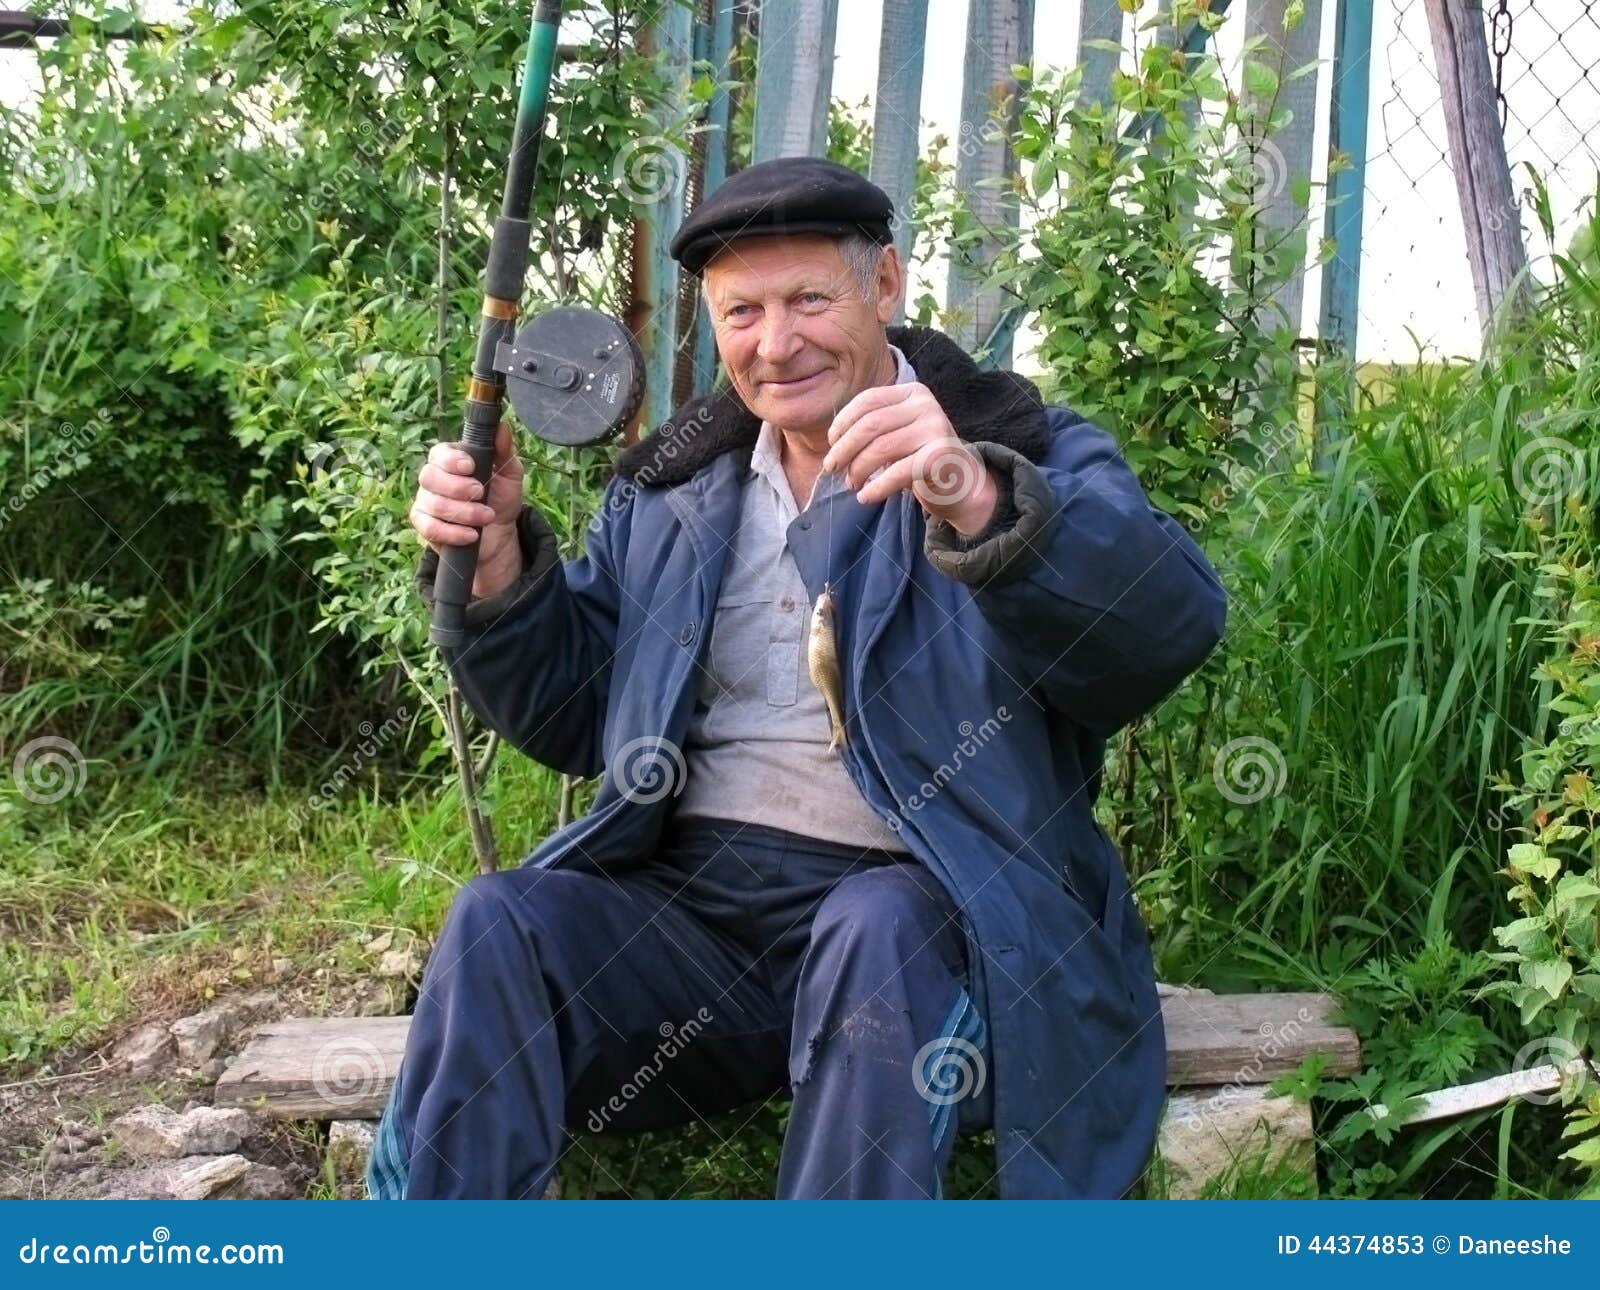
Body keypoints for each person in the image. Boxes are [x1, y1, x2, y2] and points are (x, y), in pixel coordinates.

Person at [370, 155, 1226, 1200]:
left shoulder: (1011, 441)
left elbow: (1161, 630)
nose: (775, 344)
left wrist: (976, 501)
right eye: (742, 313)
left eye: (808, 299)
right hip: (695, 921)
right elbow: (580, 709)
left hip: (929, 912)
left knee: (875, 927)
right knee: (498, 924)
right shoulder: (674, 487)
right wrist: (499, 564)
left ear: (885, 285)